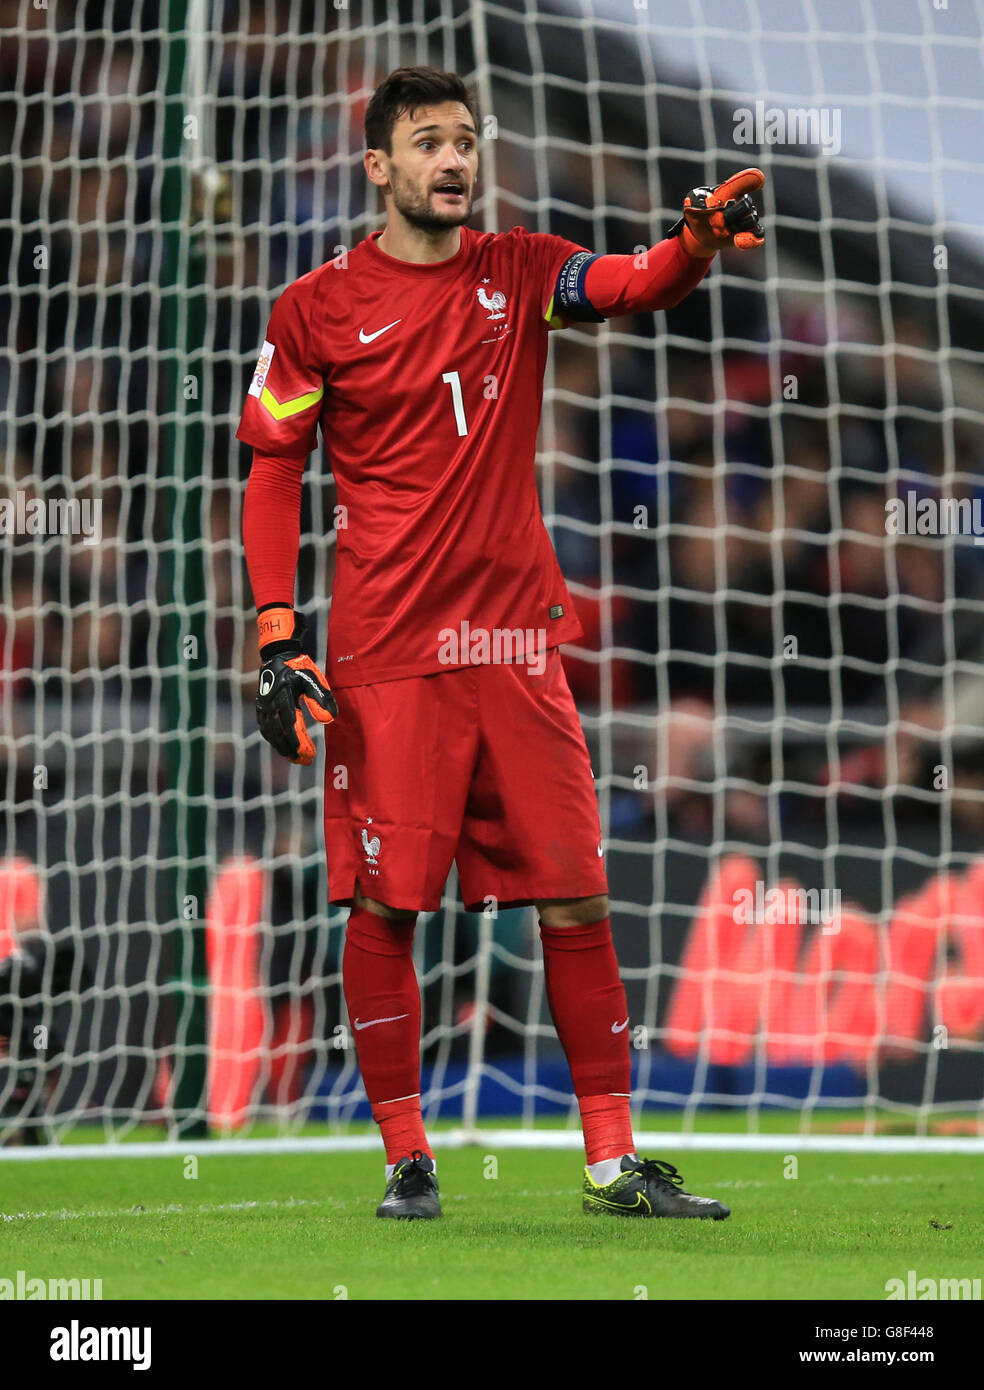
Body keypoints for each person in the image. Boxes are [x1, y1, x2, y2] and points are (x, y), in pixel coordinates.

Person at [238, 65, 765, 1219]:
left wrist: (694, 247)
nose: (454, 160)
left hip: (517, 650)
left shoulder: (520, 270)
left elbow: (629, 285)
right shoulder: (315, 309)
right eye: (428, 142)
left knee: (576, 890)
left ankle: (612, 1160)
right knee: (386, 907)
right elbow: (273, 466)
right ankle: (404, 1155)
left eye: (465, 140)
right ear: (378, 165)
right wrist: (279, 635)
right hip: (388, 656)